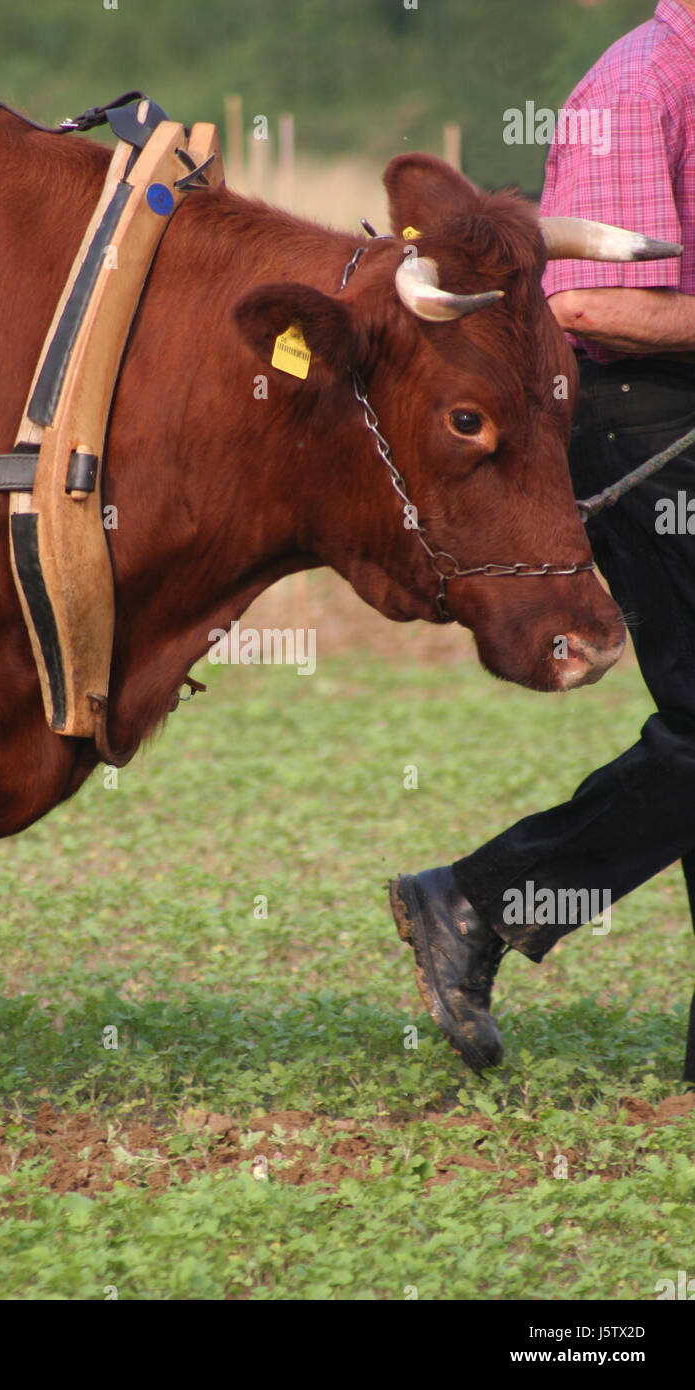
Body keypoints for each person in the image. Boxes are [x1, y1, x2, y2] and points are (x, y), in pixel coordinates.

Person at [389, 0, 695, 1084]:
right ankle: (472, 898)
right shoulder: (638, 82)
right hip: (639, 421)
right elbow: (591, 299)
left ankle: (473, 901)